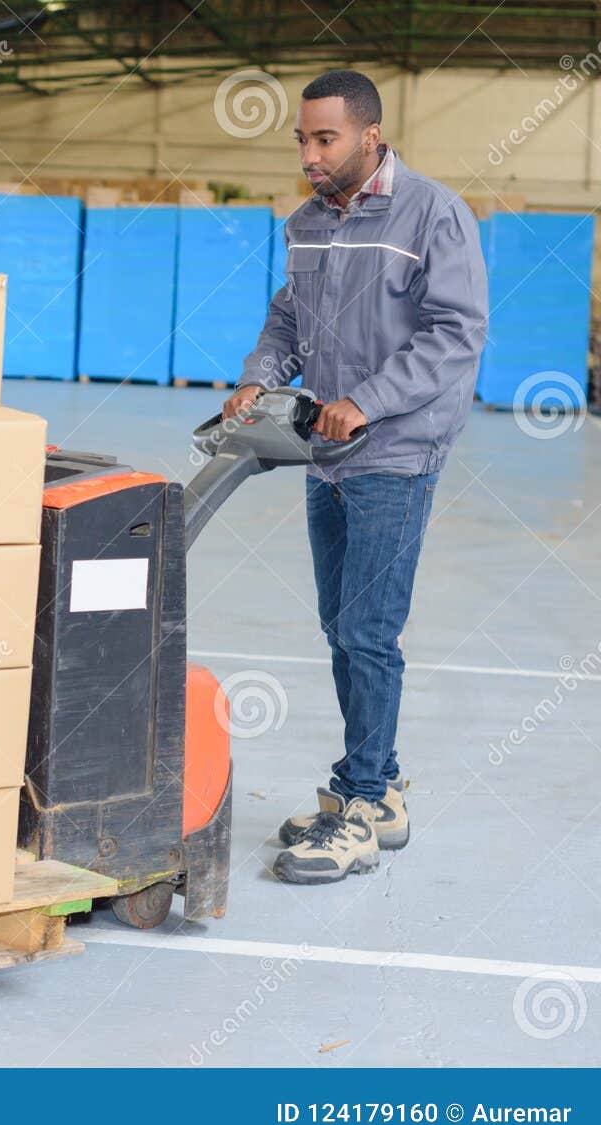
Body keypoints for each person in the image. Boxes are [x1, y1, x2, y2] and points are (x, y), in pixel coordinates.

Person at [227, 69, 488, 885]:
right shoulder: (306, 221)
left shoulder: (434, 213)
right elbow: (288, 319)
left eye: (324, 139)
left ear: (370, 136)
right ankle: (381, 791)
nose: (309, 154)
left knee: (369, 632)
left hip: (396, 453)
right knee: (342, 627)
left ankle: (361, 807)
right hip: (327, 454)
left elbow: (456, 334)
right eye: (302, 139)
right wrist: (260, 376)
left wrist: (366, 402)